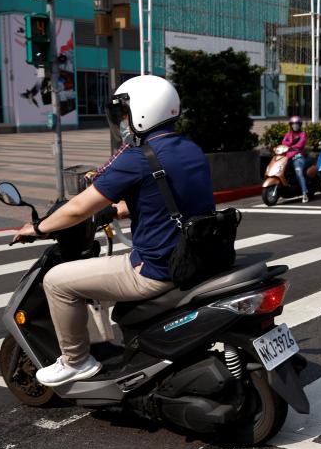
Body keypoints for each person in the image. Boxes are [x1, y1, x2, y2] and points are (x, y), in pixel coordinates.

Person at [12, 75, 214, 387]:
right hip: (192, 258)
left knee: (56, 281)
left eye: (124, 115)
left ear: (143, 112)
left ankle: (76, 361)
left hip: (155, 269)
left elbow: (79, 208)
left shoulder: (138, 158)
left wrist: (38, 227)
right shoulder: (189, 148)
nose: (122, 123)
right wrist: (122, 209)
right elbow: (170, 194)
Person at [282, 115, 309, 203]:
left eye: (297, 124)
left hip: (298, 157)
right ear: (290, 125)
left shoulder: (302, 134)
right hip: (287, 157)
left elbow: (300, 144)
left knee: (299, 173)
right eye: (293, 124)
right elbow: (283, 142)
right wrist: (290, 144)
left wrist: (289, 146)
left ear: (300, 125)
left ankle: (304, 194)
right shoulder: (288, 134)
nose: (295, 125)